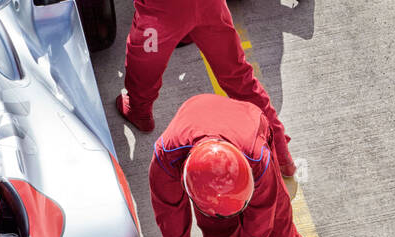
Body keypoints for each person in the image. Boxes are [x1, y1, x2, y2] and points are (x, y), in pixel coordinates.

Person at [151, 94, 330, 237]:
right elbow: (168, 206)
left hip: (248, 125)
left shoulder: (258, 158)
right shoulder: (167, 155)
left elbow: (263, 211)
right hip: (200, 119)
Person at [115, 0, 298, 175]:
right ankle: (281, 153)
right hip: (209, 5)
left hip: (162, 12)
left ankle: (140, 111)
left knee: (144, 60)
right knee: (238, 76)